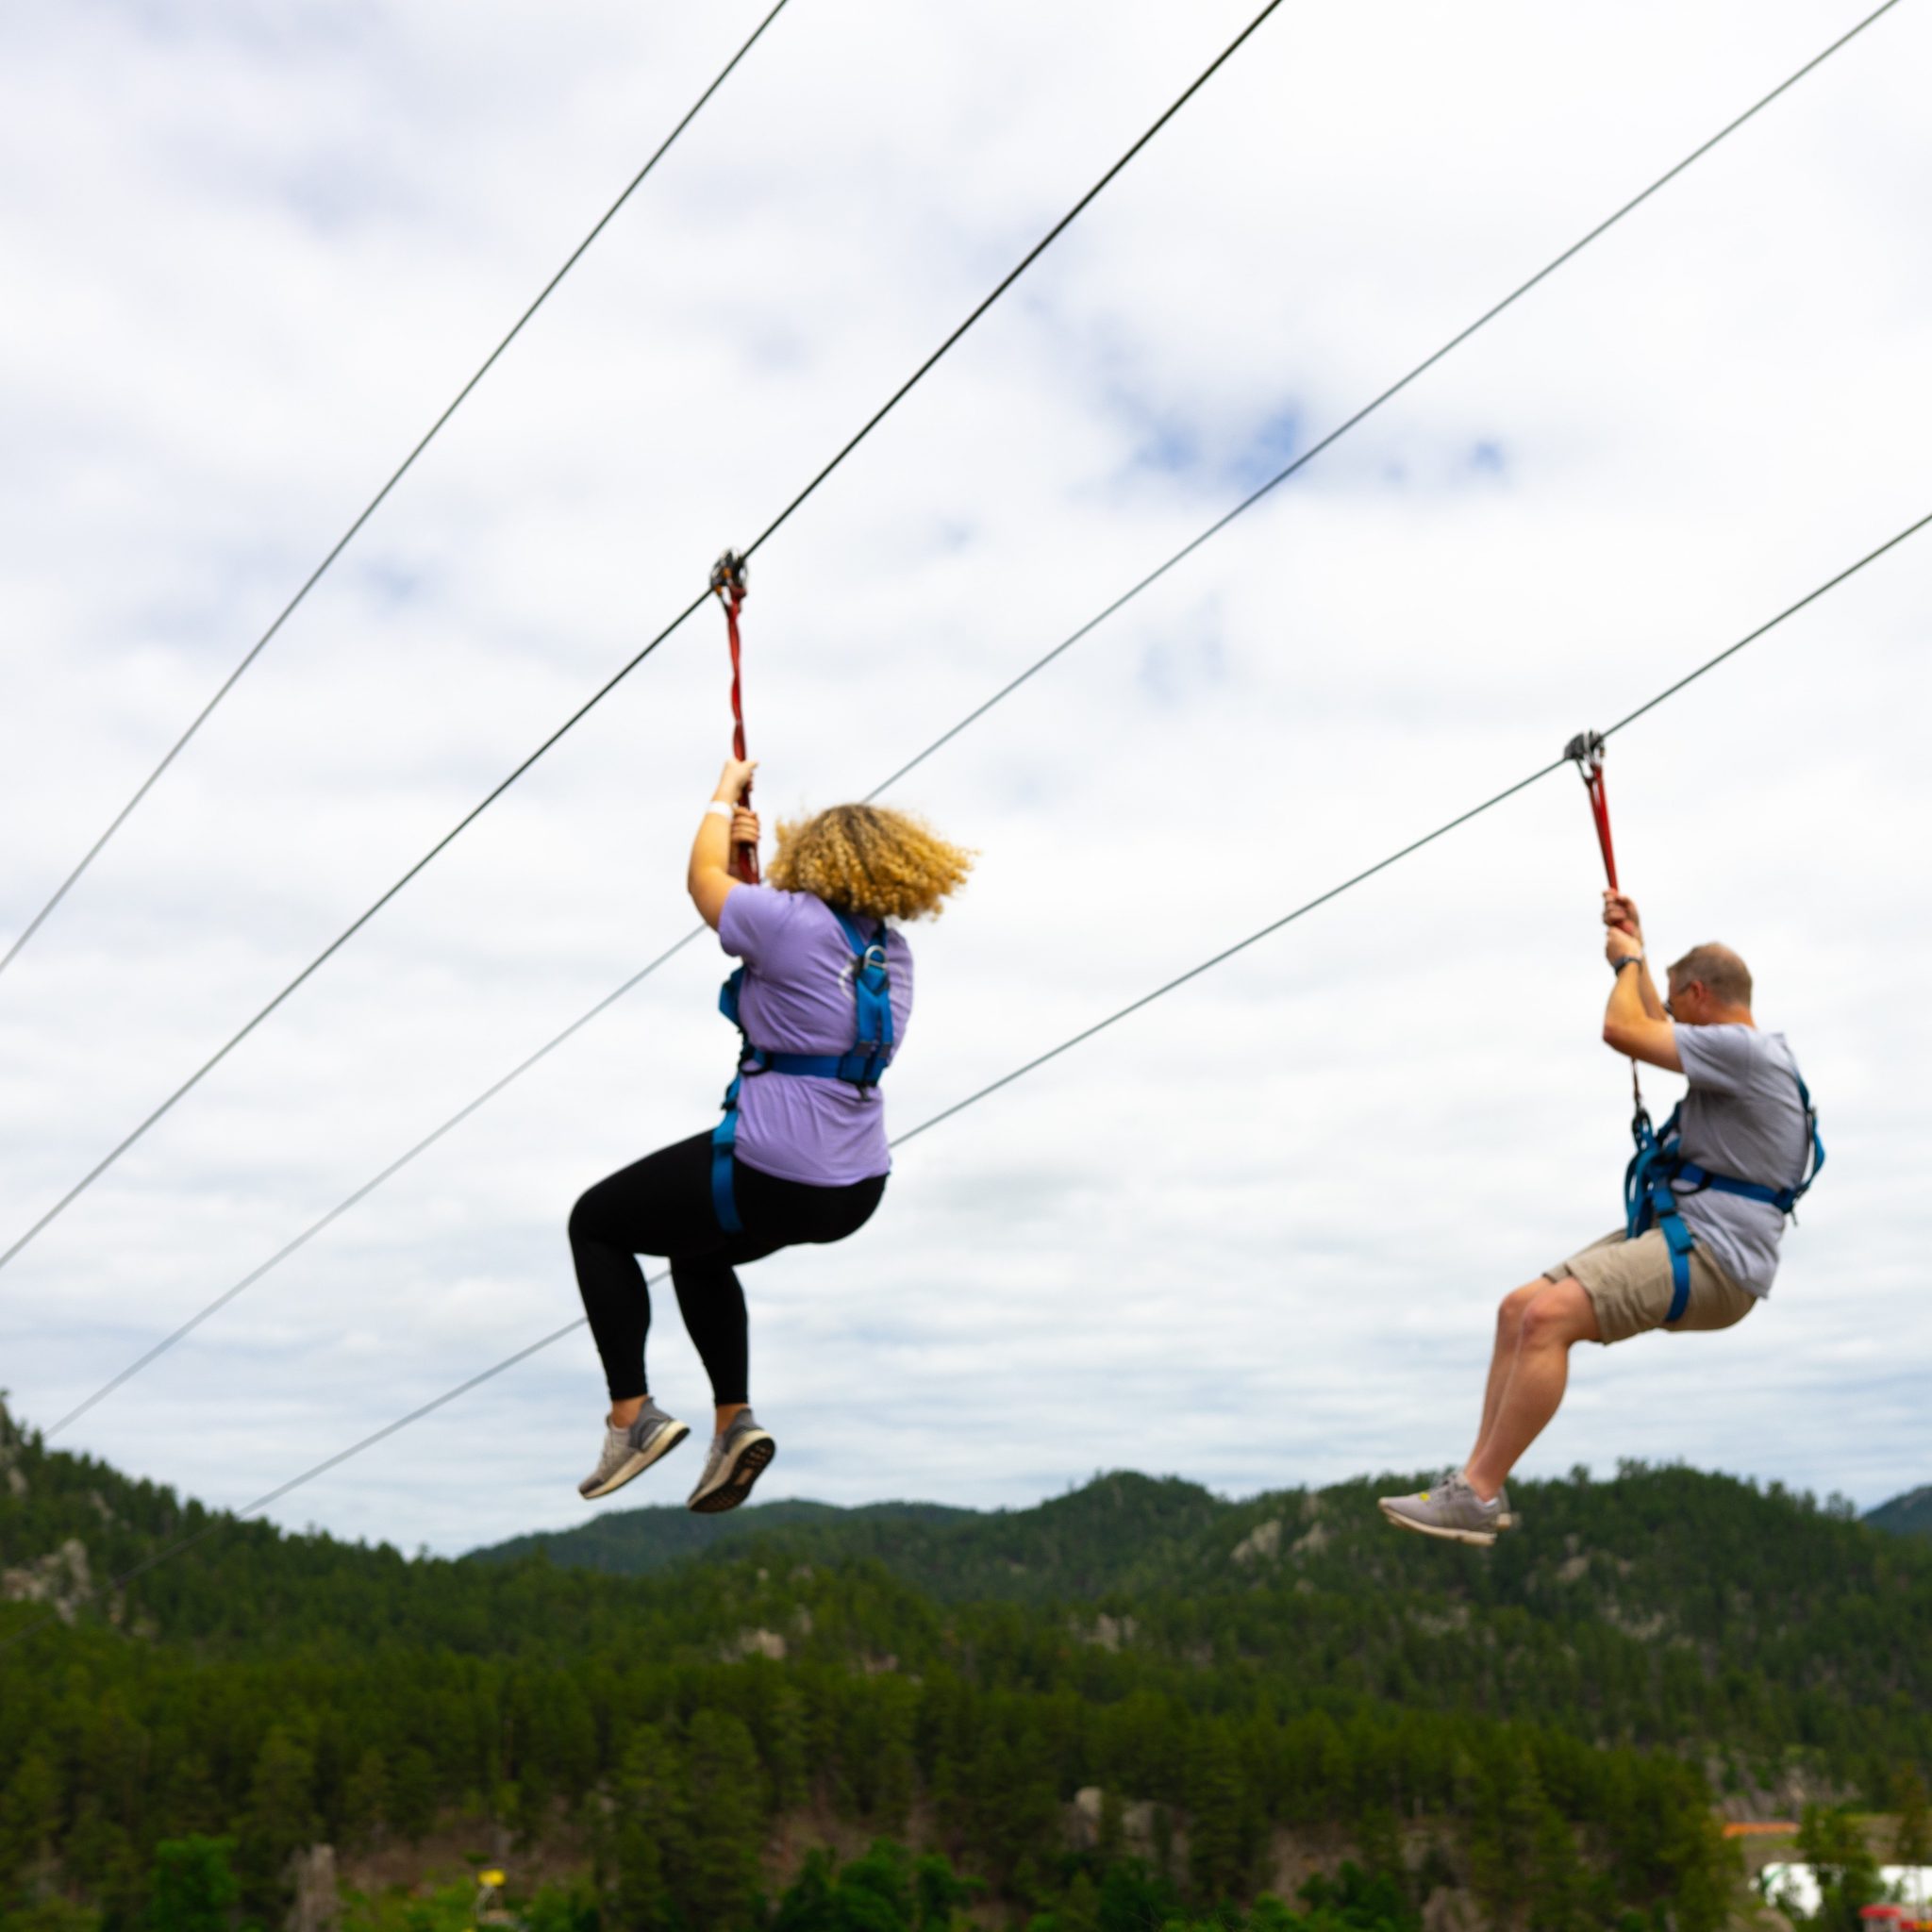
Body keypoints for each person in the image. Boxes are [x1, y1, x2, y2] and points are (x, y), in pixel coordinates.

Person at [570, 757, 973, 1512]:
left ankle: (632, 1417)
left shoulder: (785, 925)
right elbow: (782, 946)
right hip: (853, 1190)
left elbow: (703, 884)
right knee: (695, 1252)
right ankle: (733, 1426)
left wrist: (722, 801)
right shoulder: (891, 956)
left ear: (815, 859)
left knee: (596, 1222)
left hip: (772, 1169)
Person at [1378, 888, 1816, 1547]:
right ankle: (1474, 1489)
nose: (1668, 1015)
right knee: (1516, 1308)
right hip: (1691, 1235)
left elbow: (1624, 1032)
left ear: (1699, 995)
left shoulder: (1746, 1052)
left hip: (1716, 1260)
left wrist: (1627, 962)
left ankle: (1478, 1493)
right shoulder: (1745, 1053)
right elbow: (1647, 1025)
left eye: (1675, 1004)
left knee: (1547, 1319)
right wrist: (1636, 947)